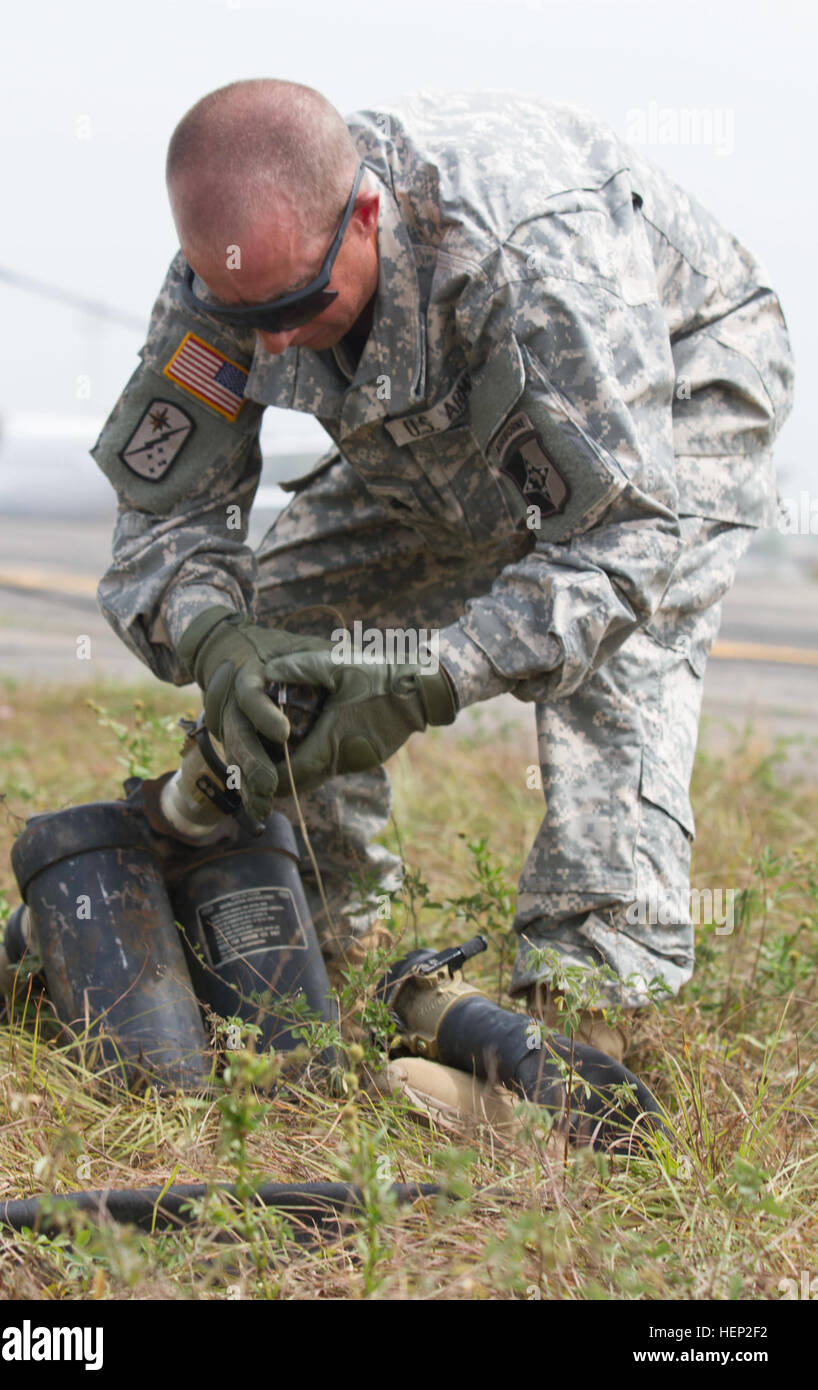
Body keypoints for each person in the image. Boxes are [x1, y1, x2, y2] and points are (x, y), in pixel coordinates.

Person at [93, 79, 794, 1063]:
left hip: (666, 400)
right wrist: (216, 638)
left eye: (299, 304)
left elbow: (618, 543)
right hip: (438, 434)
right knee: (290, 638)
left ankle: (581, 1024)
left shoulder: (535, 257)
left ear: (366, 215)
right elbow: (166, 506)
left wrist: (432, 676)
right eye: (245, 315)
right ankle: (309, 944)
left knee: (611, 673)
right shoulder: (240, 278)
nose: (276, 341)